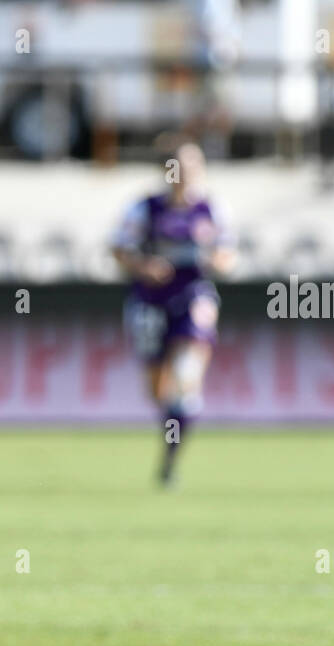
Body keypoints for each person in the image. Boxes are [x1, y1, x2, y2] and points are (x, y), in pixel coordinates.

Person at [112, 139, 235, 486]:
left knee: (186, 377)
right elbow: (119, 249)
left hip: (192, 297)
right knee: (158, 391)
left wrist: (216, 261)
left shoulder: (212, 210)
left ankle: (170, 462)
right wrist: (144, 266)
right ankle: (172, 434)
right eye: (180, 167)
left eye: (194, 167)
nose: (187, 175)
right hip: (150, 303)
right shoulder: (145, 209)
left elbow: (229, 254)